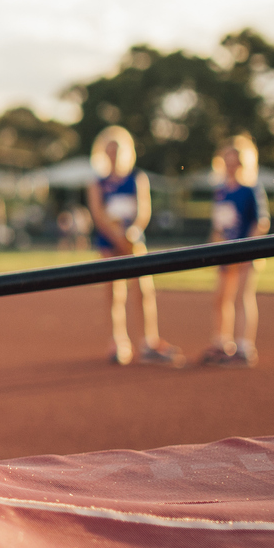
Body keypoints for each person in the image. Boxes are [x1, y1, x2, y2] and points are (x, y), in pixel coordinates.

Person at [87, 126, 180, 367]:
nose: (113, 155)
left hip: (133, 241)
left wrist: (130, 234)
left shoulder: (137, 177)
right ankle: (117, 341)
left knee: (144, 291)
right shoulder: (97, 183)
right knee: (114, 293)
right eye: (109, 150)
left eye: (117, 150)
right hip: (109, 242)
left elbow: (143, 210)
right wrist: (117, 236)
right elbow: (98, 214)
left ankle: (149, 340)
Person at [203, 135, 270, 368]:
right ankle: (221, 342)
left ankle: (244, 347)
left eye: (236, 162)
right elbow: (218, 226)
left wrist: (247, 250)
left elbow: (260, 222)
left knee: (242, 298)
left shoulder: (251, 189)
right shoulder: (220, 191)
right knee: (221, 299)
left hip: (245, 253)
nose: (231, 167)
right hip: (225, 253)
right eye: (227, 162)